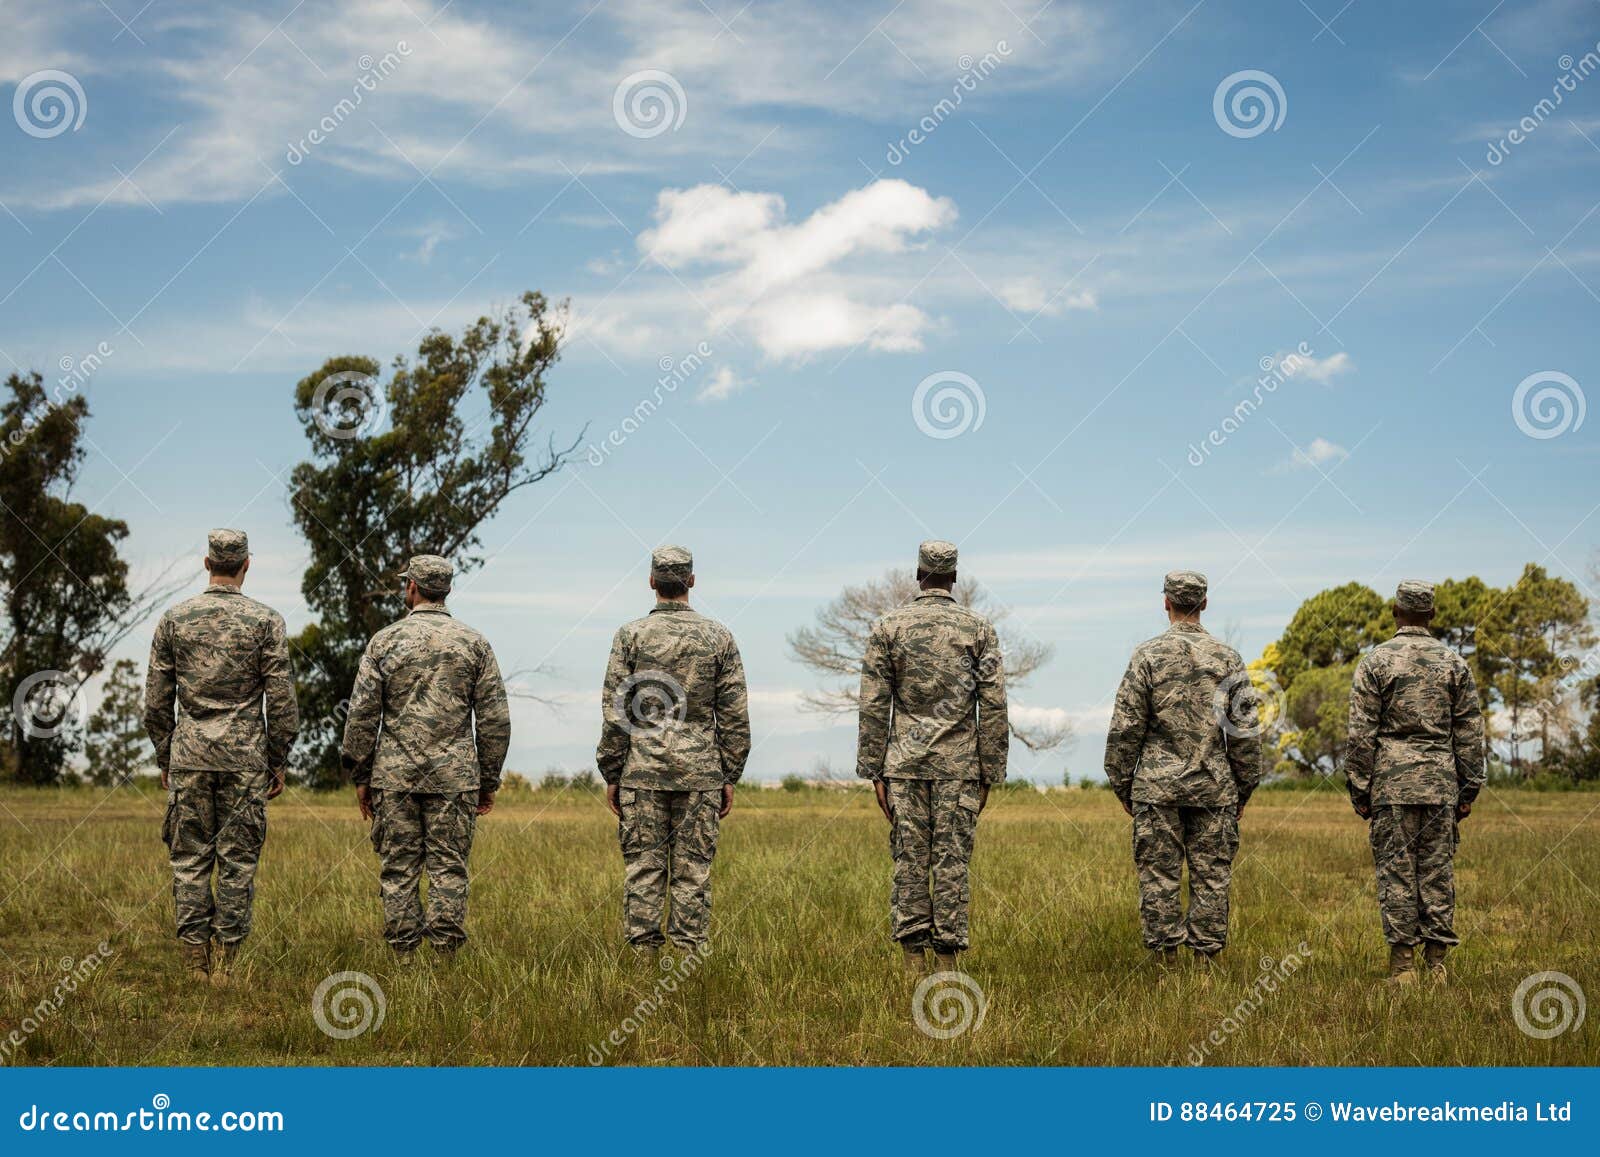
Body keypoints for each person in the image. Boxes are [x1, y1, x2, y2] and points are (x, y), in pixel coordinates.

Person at [144, 529, 299, 987]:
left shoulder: (175, 619)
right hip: (245, 760)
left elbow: (156, 702)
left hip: (190, 757)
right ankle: (229, 964)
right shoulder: (266, 621)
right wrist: (276, 758)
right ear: (246, 564)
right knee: (237, 861)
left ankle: (195, 963)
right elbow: (282, 701)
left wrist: (166, 756)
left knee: (190, 859)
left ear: (207, 563)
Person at [341, 554, 509, 963]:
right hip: (455, 780)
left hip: (394, 778)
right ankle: (444, 959)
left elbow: (361, 714)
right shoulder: (474, 644)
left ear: (412, 588)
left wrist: (360, 775)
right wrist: (487, 781)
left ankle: (403, 958)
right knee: (448, 869)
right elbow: (494, 720)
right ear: (446, 590)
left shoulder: (383, 642)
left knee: (398, 870)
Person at [857, 540, 1008, 975]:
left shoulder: (890, 627)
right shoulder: (978, 629)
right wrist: (989, 771)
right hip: (960, 768)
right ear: (955, 577)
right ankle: (946, 960)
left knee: (909, 858)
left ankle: (912, 960)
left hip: (903, 766)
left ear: (917, 574)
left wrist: (874, 770)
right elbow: (993, 706)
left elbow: (873, 704)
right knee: (951, 861)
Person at [597, 545, 750, 960]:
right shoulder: (719, 637)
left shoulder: (630, 636)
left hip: (641, 772)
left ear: (652, 582)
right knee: (692, 872)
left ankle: (643, 962)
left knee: (644, 869)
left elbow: (617, 711)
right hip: (700, 773)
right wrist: (729, 774)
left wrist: (612, 770)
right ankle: (687, 964)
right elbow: (733, 715)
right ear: (692, 582)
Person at [1103, 570, 1261, 972]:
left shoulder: (1147, 656)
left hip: (1157, 789)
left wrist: (1125, 786)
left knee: (1159, 877)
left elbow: (1125, 729)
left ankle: (1166, 966)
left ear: (1166, 603)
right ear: (1204, 604)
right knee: (1212, 878)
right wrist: (1243, 790)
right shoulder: (1227, 658)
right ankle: (1205, 966)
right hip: (1214, 787)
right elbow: (1244, 735)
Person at [1344, 579, 1485, 984]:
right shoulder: (1455, 664)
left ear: (1395, 611)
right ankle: (1436, 964)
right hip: (1441, 785)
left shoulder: (1375, 662)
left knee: (1397, 873)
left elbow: (1361, 734)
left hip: (1391, 786)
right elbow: (1469, 732)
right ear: (1432, 614)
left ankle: (1402, 967)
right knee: (1437, 872)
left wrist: (1360, 788)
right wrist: (1468, 788)